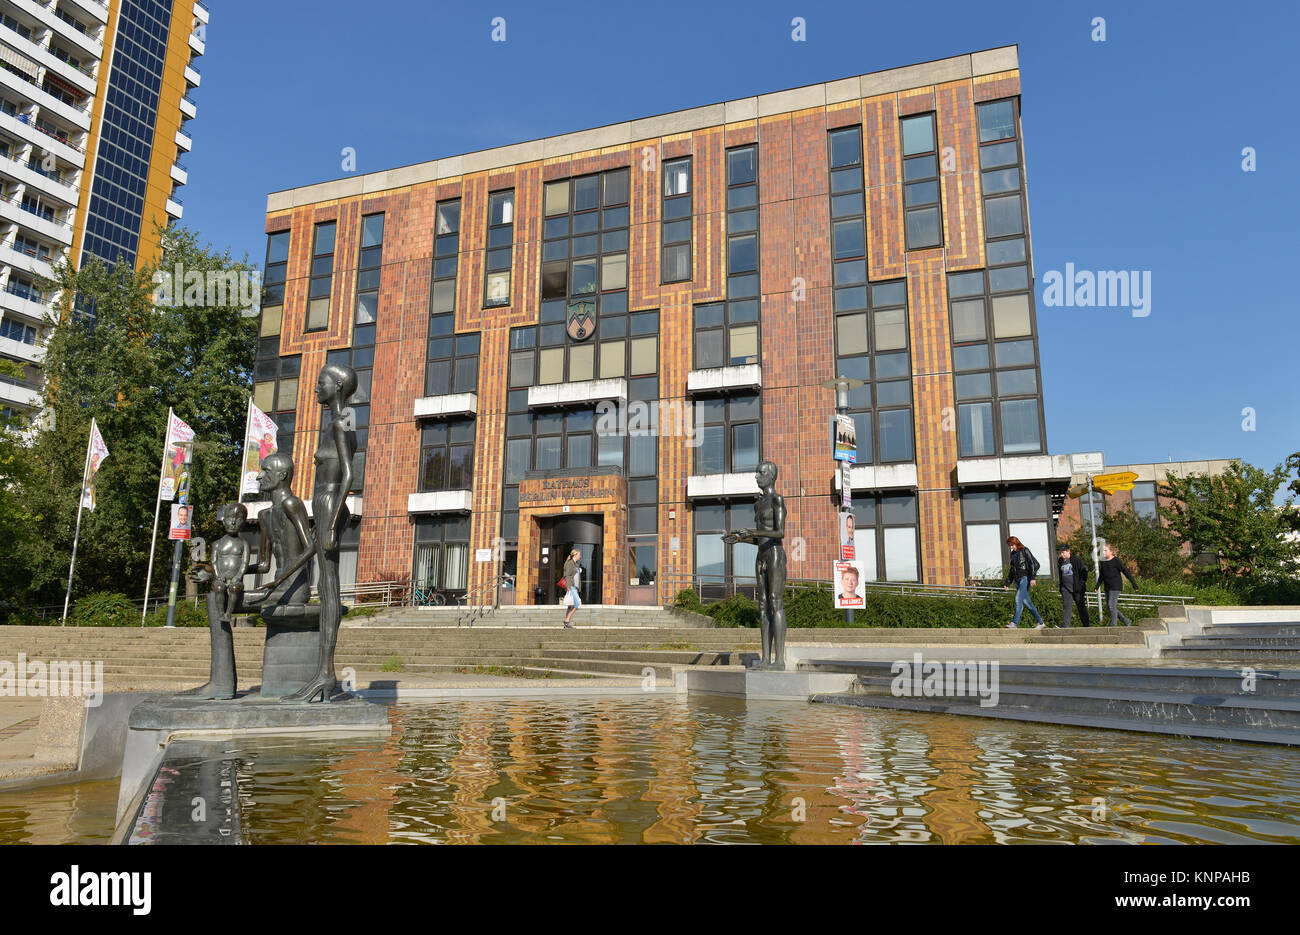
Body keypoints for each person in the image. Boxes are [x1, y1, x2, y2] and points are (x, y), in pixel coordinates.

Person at [1003, 536, 1045, 629]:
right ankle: (1040, 622)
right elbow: (1012, 570)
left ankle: (1014, 623)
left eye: (1012, 545)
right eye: (1010, 546)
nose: (1012, 547)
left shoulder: (1025, 550)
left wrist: (1033, 578)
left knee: (1018, 599)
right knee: (1027, 603)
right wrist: (1007, 583)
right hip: (1017, 580)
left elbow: (1032, 564)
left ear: (1016, 543)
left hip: (1025, 579)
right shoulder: (1013, 554)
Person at [1098, 543, 1139, 627]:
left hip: (1116, 586)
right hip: (1107, 587)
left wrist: (1134, 584)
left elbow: (1125, 572)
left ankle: (1113, 624)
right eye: (1102, 551)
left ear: (1111, 552)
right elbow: (1102, 575)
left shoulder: (1116, 561)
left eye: (1105, 550)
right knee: (1109, 607)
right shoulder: (1103, 562)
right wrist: (1097, 585)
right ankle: (1126, 620)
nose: (1103, 552)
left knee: (1111, 605)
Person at [1057, 546, 1091, 627]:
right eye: (1060, 553)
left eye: (1063, 552)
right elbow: (1061, 574)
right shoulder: (1060, 561)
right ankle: (1065, 626)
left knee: (1081, 607)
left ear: (1068, 551)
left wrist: (1080, 584)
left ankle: (1086, 625)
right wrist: (1061, 587)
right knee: (1066, 607)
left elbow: (1084, 572)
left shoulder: (1075, 559)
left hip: (1077, 588)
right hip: (1066, 588)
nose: (1061, 554)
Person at [562, 549, 582, 628]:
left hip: (575, 587)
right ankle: (566, 621)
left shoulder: (576, 564)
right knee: (577, 604)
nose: (580, 556)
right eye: (579, 555)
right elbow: (567, 575)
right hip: (571, 587)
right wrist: (568, 587)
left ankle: (567, 624)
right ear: (575, 555)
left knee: (570, 606)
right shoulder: (570, 563)